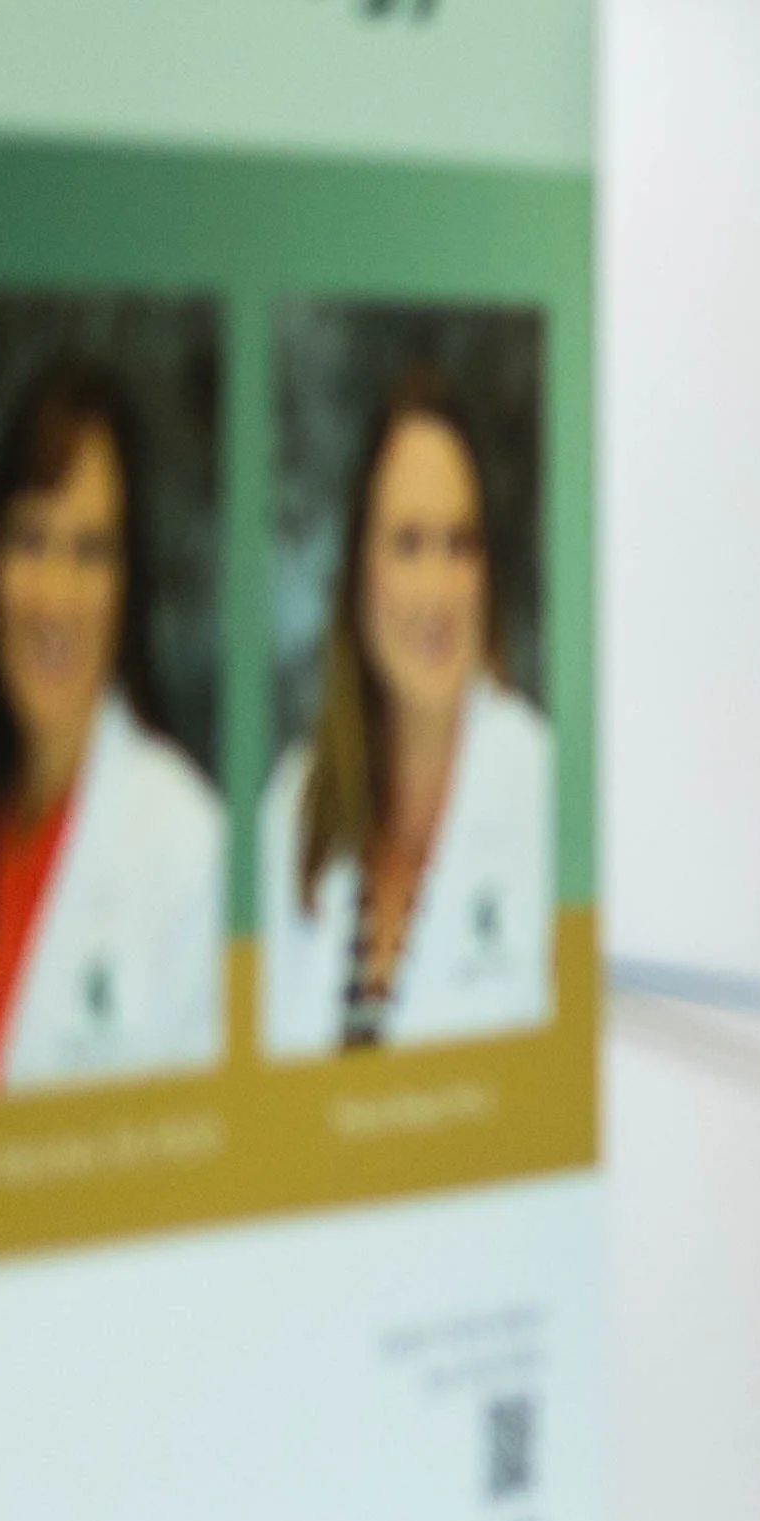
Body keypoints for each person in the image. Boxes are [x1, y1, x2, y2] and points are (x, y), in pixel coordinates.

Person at [0, 360, 224, 1101]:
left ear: (127, 587)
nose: (55, 597)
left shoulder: (191, 850)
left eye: (90, 551)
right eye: (29, 540)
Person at [259, 378, 554, 1059]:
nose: (438, 586)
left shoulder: (548, 796)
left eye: (461, 544)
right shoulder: (289, 810)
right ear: (360, 569)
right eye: (409, 543)